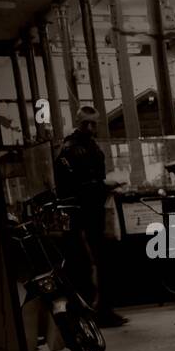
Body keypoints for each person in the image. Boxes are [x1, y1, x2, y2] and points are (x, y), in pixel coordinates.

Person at [54, 104, 126, 327]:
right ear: (78, 122)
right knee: (90, 264)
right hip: (83, 215)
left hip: (86, 213)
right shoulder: (76, 149)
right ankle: (96, 311)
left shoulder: (79, 147)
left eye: (93, 123)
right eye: (86, 122)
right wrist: (104, 185)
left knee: (96, 264)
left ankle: (98, 310)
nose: (90, 126)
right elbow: (76, 187)